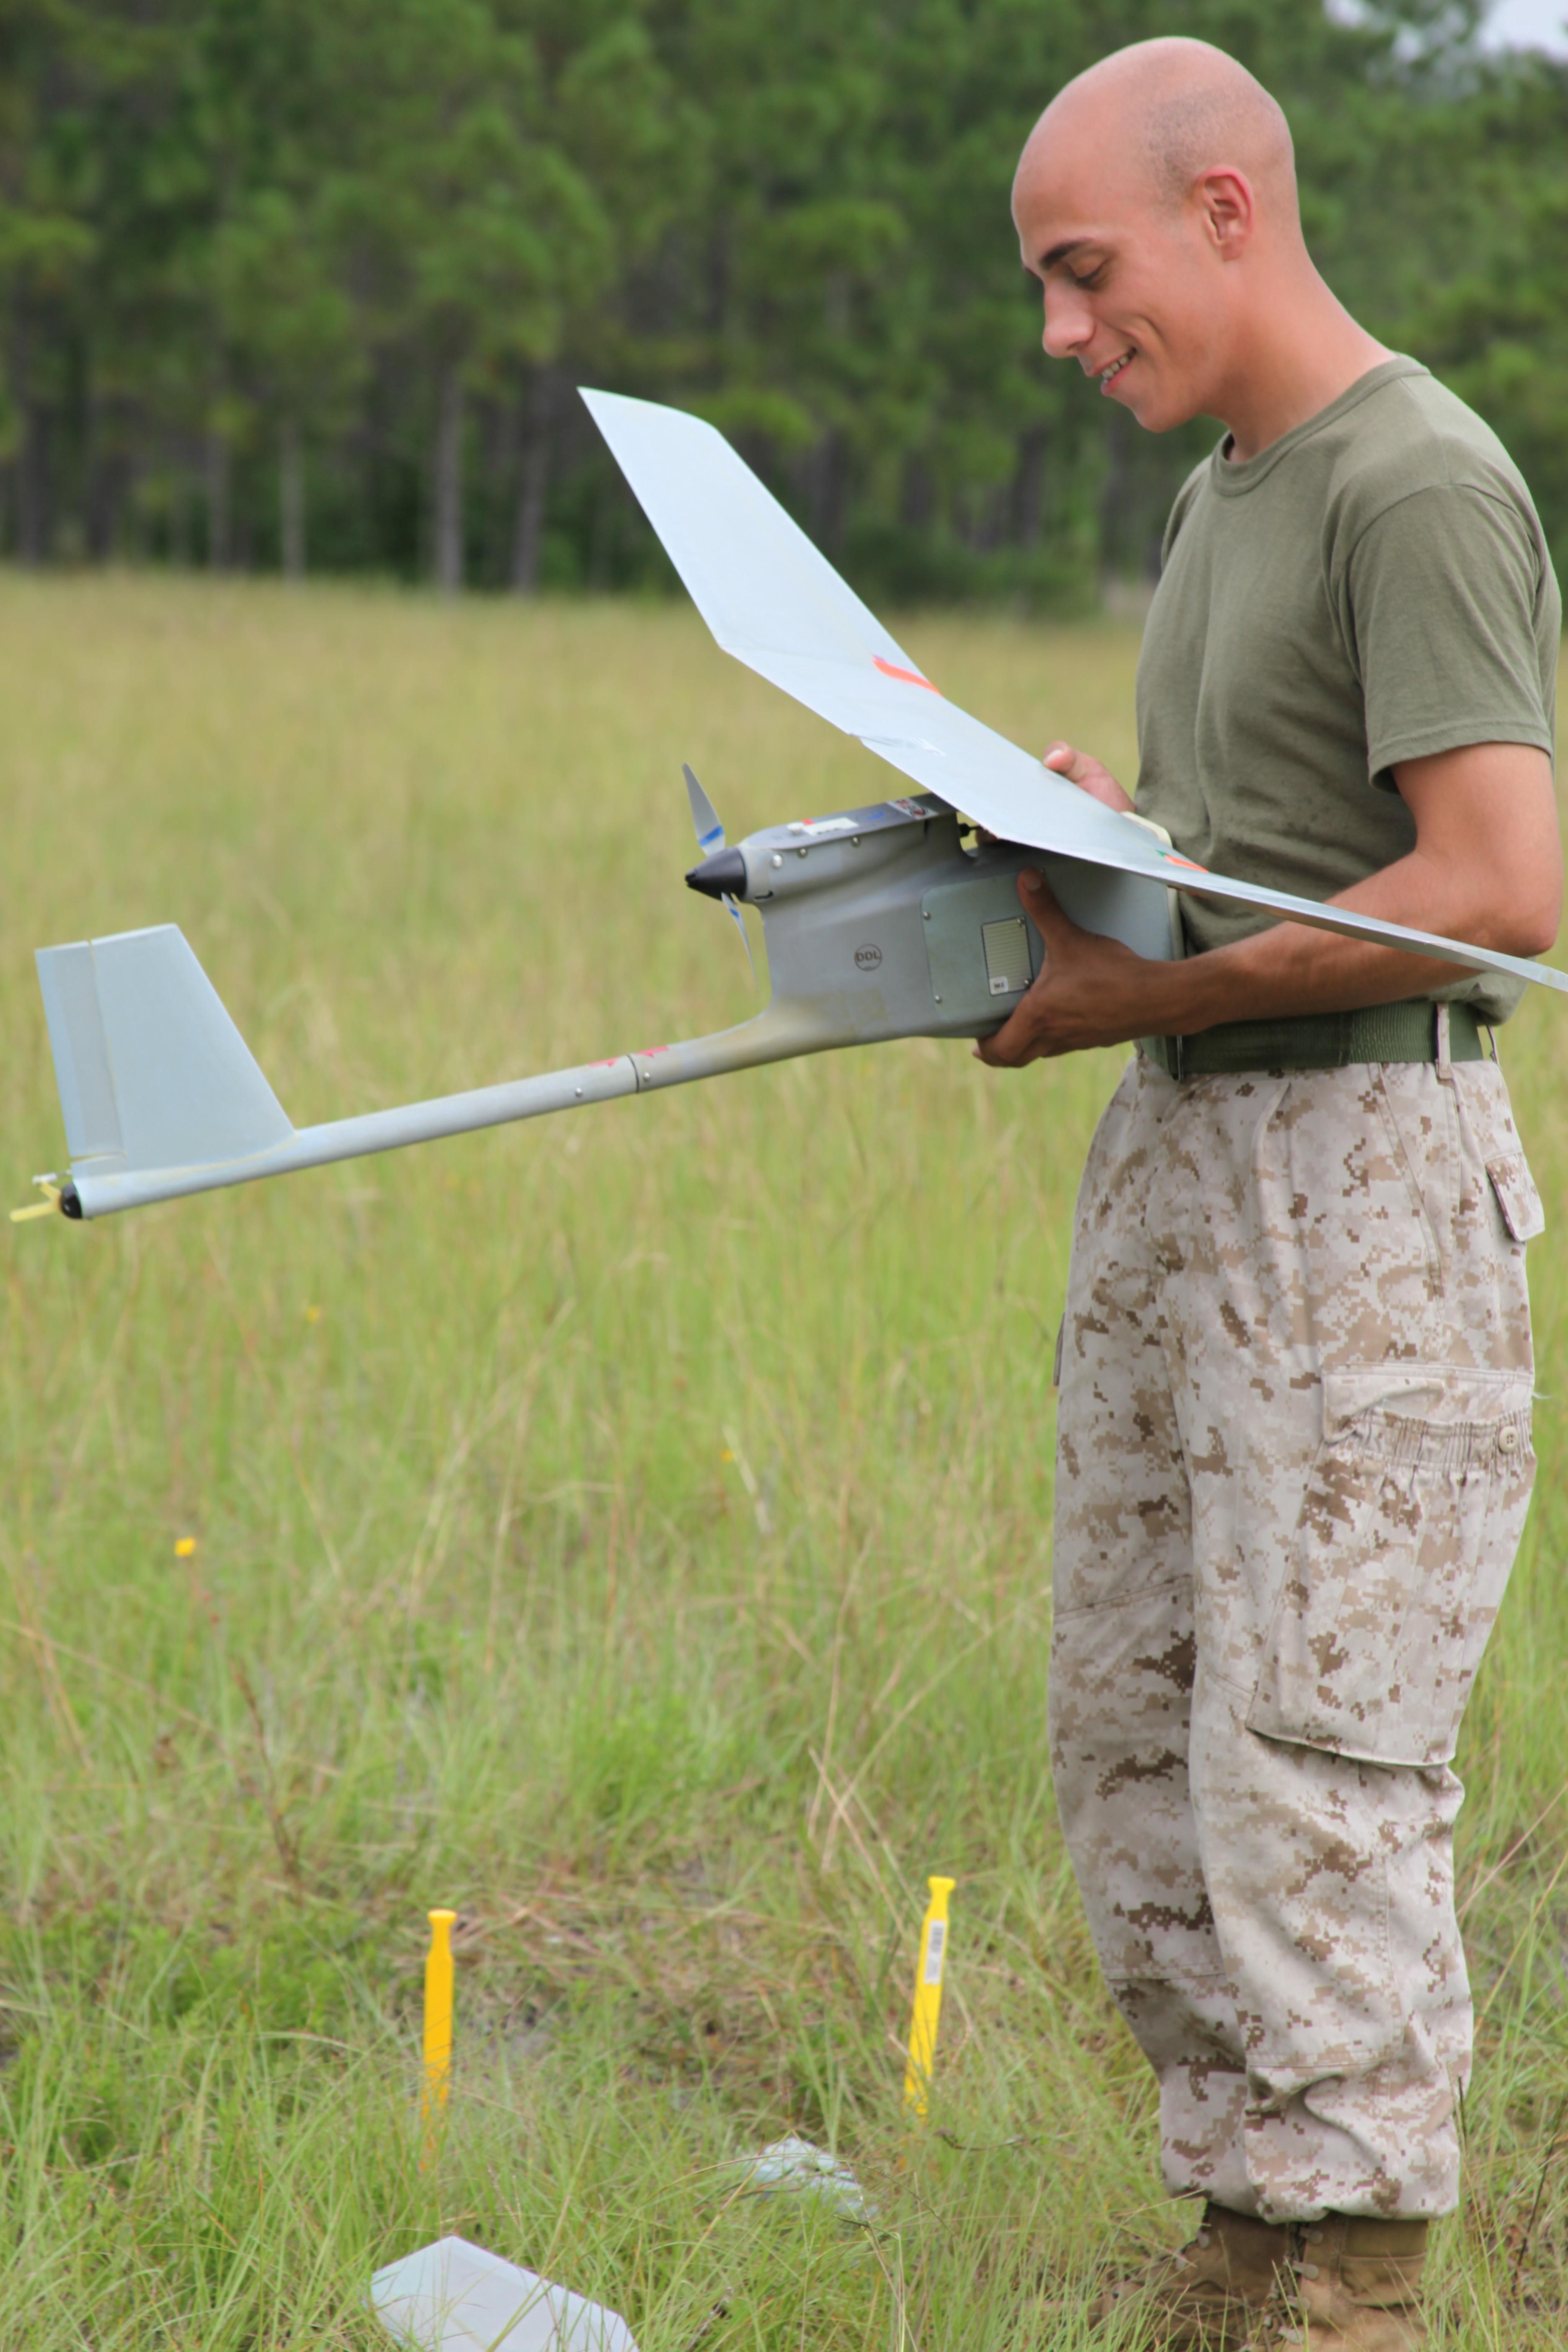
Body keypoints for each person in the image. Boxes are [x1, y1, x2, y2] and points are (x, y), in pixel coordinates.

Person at [990, 36, 1561, 2352]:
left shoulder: (1412, 479)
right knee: (1146, 1720)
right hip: (1190, 1171)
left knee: (1319, 1751)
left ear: (1230, 209)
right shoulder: (1228, 492)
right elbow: (1273, 852)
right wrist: (1107, 844)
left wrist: (1130, 994)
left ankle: (1346, 2291)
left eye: (1083, 271)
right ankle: (1239, 2240)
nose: (1061, 330)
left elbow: (1498, 886)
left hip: (1363, 1182)